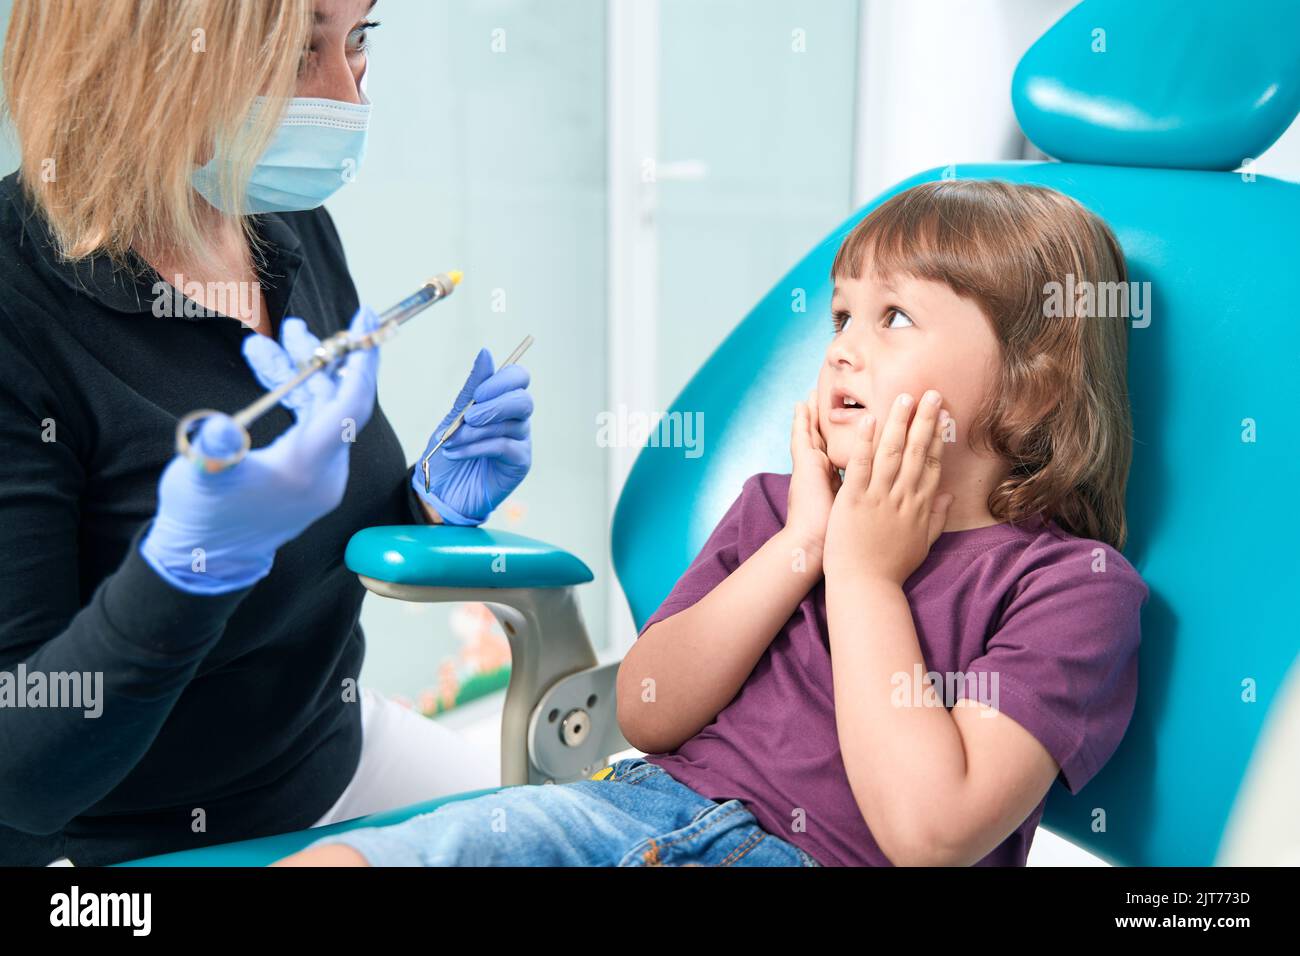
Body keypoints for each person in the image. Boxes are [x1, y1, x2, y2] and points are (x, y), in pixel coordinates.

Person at [274, 179, 1149, 867]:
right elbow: (647, 711)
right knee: (352, 859)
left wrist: (864, 575)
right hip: (622, 812)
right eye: (842, 315)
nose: (843, 345)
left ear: (1031, 382)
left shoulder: (1070, 589)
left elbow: (929, 833)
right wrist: (804, 547)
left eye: (896, 318)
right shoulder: (781, 512)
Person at [0, 0, 531, 866]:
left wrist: (423, 502)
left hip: (331, 757)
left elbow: (311, 542)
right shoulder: (16, 313)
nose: (347, 101)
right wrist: (183, 575)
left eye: (356, 41)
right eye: (291, 56)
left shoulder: (279, 223)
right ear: (140, 57)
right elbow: (22, 782)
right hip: (112, 851)